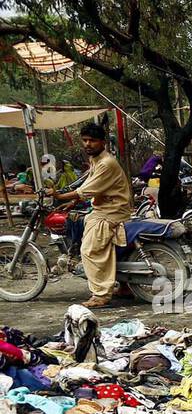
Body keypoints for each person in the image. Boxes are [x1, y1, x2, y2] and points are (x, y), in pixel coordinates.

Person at [51, 123, 133, 308]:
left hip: (111, 212)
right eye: (85, 140)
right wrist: (73, 201)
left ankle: (101, 295)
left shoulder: (106, 163)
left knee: (89, 251)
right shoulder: (97, 160)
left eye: (92, 140)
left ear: (102, 142)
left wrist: (59, 196)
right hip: (103, 209)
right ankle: (126, 287)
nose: (88, 144)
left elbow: (87, 189)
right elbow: (91, 184)